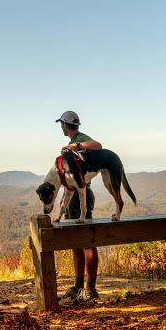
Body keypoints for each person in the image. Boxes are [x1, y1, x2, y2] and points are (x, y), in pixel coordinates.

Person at [56, 110, 103, 303]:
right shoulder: (70, 143)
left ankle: (90, 289)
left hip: (81, 197)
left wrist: (76, 145)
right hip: (73, 196)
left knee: (87, 242)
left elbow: (98, 146)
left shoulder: (80, 139)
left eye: (61, 124)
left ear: (65, 125)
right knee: (76, 242)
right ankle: (78, 286)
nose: (61, 127)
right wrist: (63, 197)